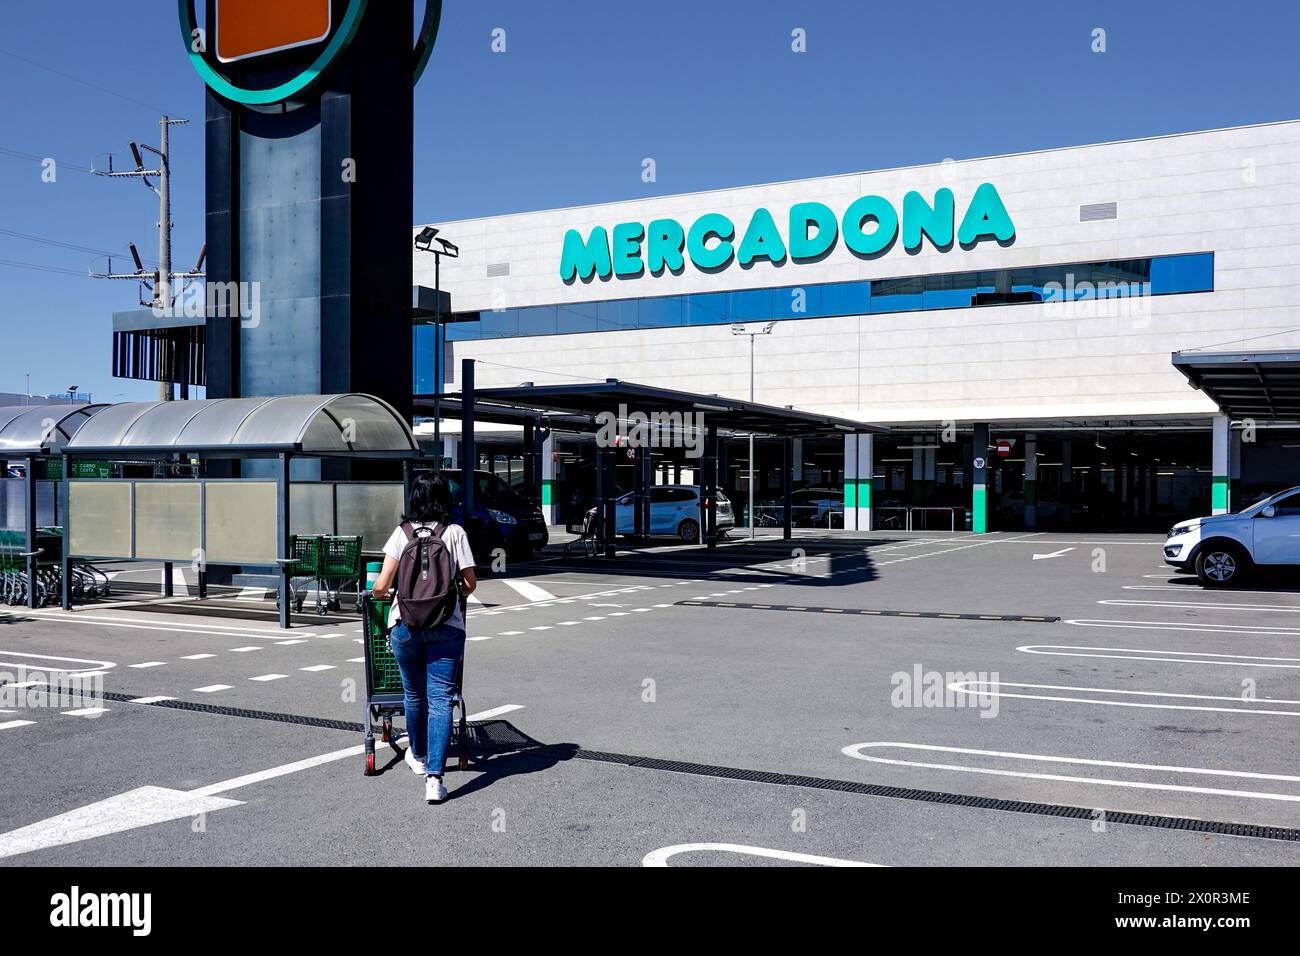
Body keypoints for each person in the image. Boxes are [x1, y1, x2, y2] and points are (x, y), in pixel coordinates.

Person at [371, 472, 476, 804]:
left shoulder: (401, 534)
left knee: (414, 696)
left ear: (413, 499)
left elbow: (382, 586)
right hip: (448, 626)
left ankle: (417, 755)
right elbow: (471, 584)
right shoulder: (455, 533)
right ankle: (435, 778)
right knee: (442, 700)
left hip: (407, 626)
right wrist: (445, 593)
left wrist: (393, 591)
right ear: (445, 498)